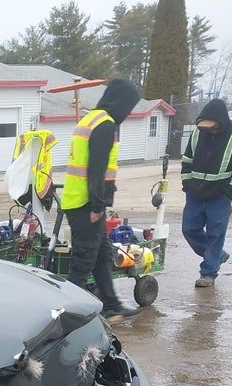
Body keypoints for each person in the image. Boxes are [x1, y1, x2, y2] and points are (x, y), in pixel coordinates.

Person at [61, 79, 143, 320]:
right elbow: (95, 170)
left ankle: (111, 303)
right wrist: (98, 206)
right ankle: (66, 314)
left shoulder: (90, 119)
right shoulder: (105, 125)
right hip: (86, 204)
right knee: (83, 262)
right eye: (129, 107)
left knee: (102, 254)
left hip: (78, 200)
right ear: (121, 102)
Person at [181, 99, 232, 288]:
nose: (208, 130)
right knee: (189, 229)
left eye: (211, 127)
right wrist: (187, 184)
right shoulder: (198, 133)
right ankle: (218, 255)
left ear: (220, 122)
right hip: (195, 193)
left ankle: (208, 273)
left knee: (215, 235)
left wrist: (229, 193)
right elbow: (187, 161)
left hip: (220, 196)